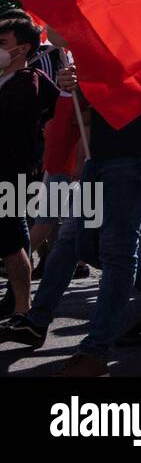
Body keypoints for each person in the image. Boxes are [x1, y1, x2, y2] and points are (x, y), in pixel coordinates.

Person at [1, 64, 141, 374]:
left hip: (138, 158)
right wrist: (78, 87)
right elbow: (86, 115)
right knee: (82, 244)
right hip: (99, 157)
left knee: (117, 252)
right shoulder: (113, 49)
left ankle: (94, 351)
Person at [0, 18, 47, 321]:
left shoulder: (29, 82)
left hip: (10, 175)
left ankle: (22, 309)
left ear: (23, 48)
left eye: (2, 43)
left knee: (12, 244)